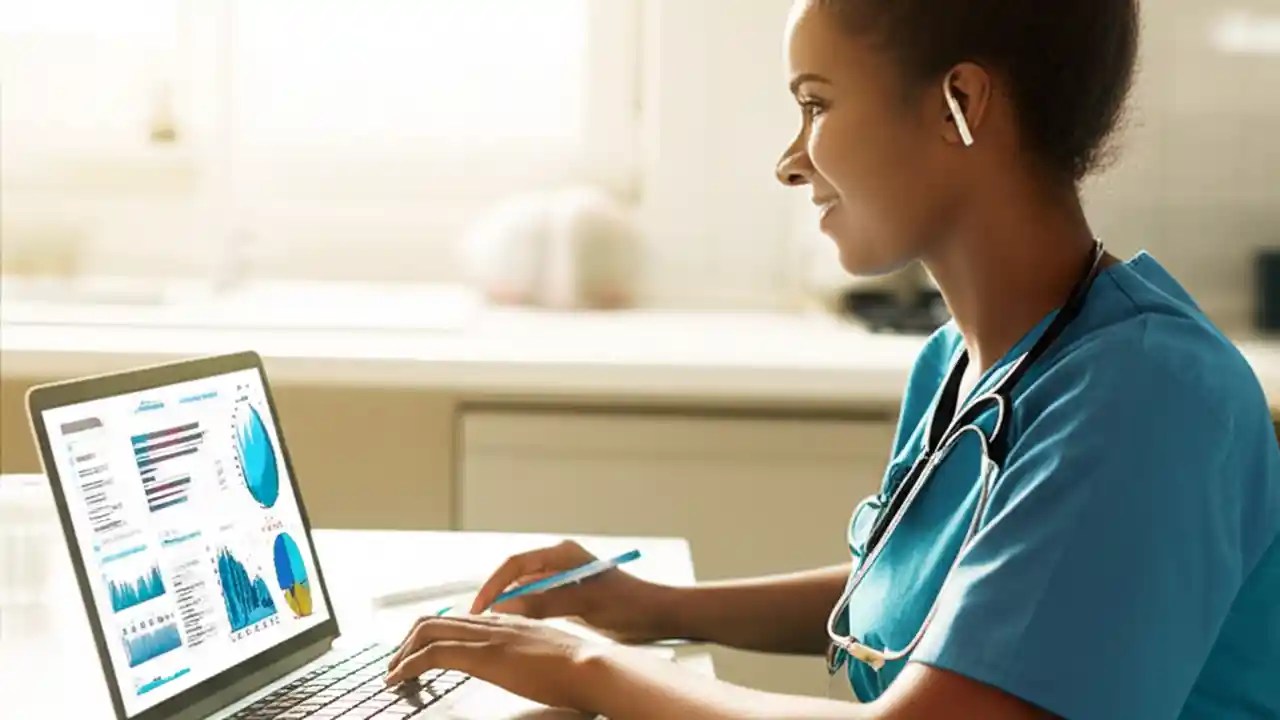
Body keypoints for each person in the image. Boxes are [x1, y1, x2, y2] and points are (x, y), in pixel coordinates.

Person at [385, 1, 1280, 717]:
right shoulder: (959, 364)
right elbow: (936, 606)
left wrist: (588, 669)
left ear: (958, 104)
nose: (789, 161)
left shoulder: (1151, 398)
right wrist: (653, 605)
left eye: (815, 103)